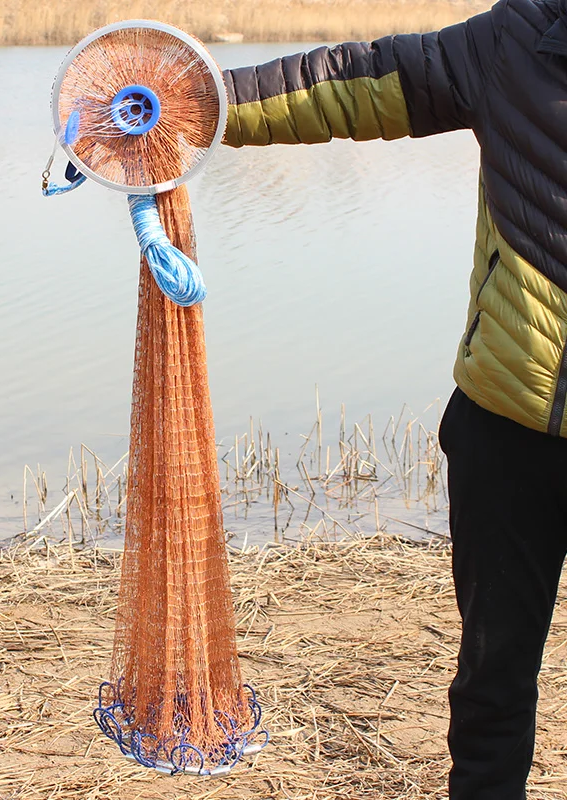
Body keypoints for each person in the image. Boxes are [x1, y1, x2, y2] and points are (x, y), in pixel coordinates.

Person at [221, 0, 567, 797]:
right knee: (491, 684)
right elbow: (355, 83)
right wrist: (200, 102)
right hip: (505, 436)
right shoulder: (516, 41)